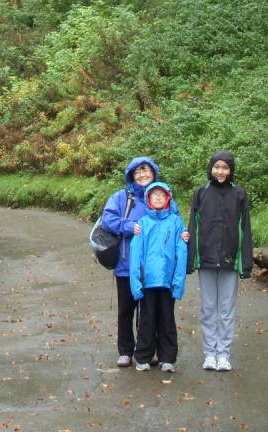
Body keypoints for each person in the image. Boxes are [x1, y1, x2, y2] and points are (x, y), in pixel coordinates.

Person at [100, 158, 183, 368]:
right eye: (137, 172)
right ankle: (125, 351)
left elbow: (176, 221)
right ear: (131, 176)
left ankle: (147, 350)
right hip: (126, 264)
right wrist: (130, 226)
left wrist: (184, 235)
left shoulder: (161, 195)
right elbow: (107, 219)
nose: (142, 175)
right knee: (126, 310)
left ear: (153, 173)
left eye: (146, 170)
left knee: (149, 312)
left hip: (154, 269)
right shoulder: (121, 197)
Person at [186, 150, 254, 372]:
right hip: (206, 259)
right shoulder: (200, 193)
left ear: (231, 170)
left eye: (225, 167)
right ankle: (210, 353)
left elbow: (246, 229)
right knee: (208, 309)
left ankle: (223, 354)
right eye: (217, 167)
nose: (220, 171)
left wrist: (246, 261)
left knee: (226, 310)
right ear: (211, 168)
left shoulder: (239, 194)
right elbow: (193, 226)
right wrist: (190, 258)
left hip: (229, 260)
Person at [129, 182, 187, 372]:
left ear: (168, 198)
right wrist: (136, 284)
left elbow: (181, 253)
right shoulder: (143, 224)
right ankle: (143, 357)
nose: (158, 198)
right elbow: (135, 255)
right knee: (146, 321)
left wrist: (178, 283)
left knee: (167, 320)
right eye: (154, 195)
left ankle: (168, 358)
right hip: (147, 282)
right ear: (148, 199)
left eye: (162, 195)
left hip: (167, 282)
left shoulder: (176, 222)